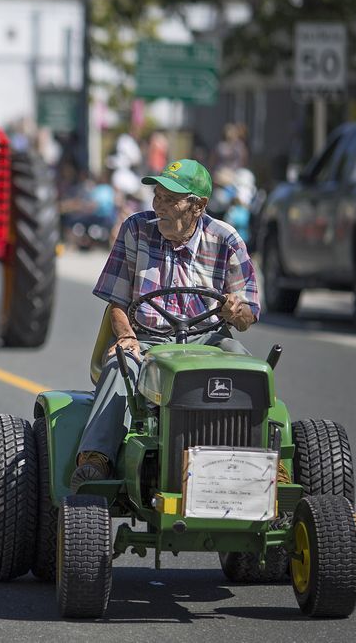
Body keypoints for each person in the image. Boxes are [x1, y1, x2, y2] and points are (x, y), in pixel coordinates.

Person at [71, 159, 260, 488]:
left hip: (207, 341)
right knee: (121, 361)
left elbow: (248, 314)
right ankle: (95, 457)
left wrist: (235, 310)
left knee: (248, 367)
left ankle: (261, 461)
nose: (158, 205)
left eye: (169, 199)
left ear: (198, 206)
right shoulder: (136, 229)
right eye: (156, 196)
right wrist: (127, 335)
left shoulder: (226, 240)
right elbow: (117, 301)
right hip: (148, 339)